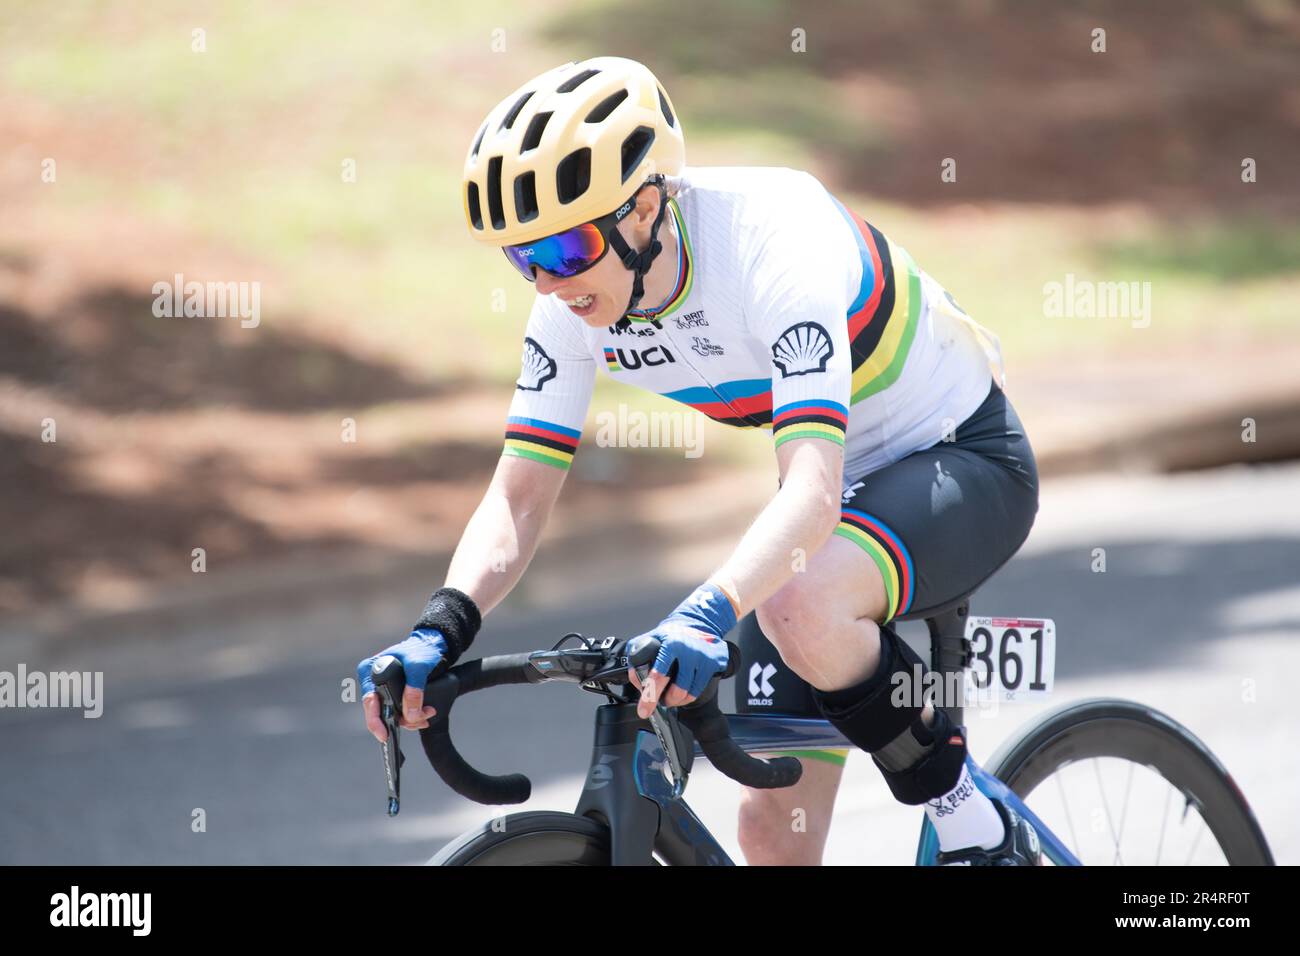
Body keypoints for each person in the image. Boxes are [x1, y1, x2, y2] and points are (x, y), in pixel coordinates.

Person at [357, 56, 1041, 866]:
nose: (546, 282)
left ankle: (972, 817)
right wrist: (441, 626)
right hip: (840, 497)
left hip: (959, 458)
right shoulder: (569, 306)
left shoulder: (773, 236)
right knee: (769, 833)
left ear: (645, 208)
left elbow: (813, 493)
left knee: (794, 605)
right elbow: (519, 499)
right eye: (522, 258)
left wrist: (708, 613)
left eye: (568, 247)